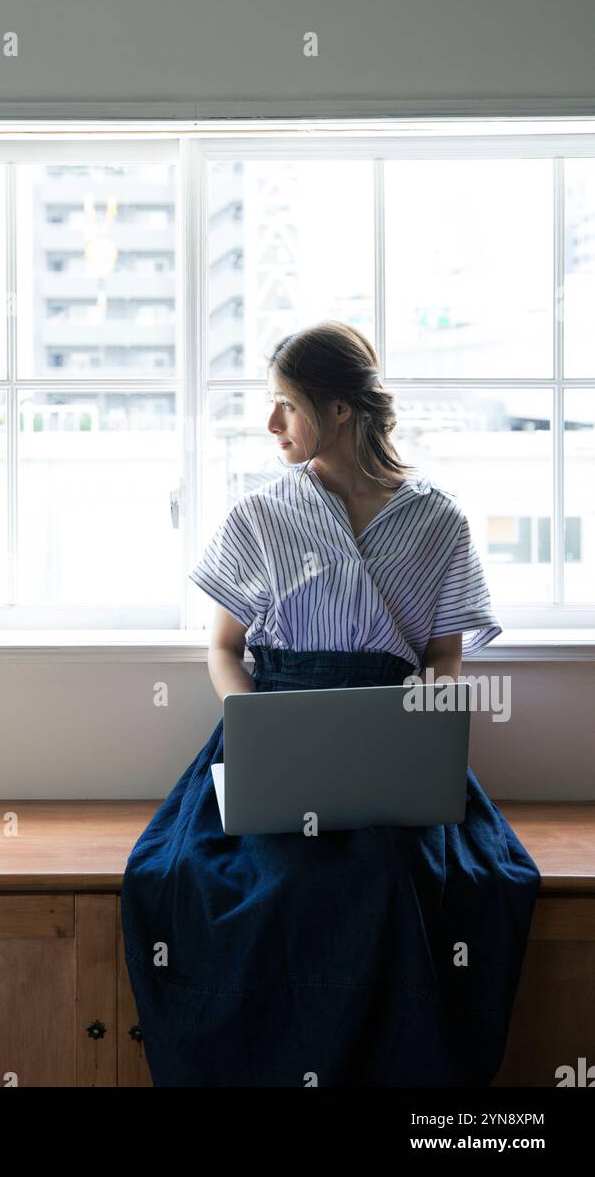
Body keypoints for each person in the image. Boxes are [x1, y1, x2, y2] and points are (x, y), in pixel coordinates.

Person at [120, 320, 541, 1087]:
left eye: (285, 403)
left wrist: (424, 732)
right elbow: (224, 648)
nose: (270, 423)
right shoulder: (261, 515)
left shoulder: (436, 521)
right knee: (236, 887)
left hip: (391, 744)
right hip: (271, 736)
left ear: (340, 409)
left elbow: (443, 661)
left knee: (407, 881)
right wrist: (255, 730)